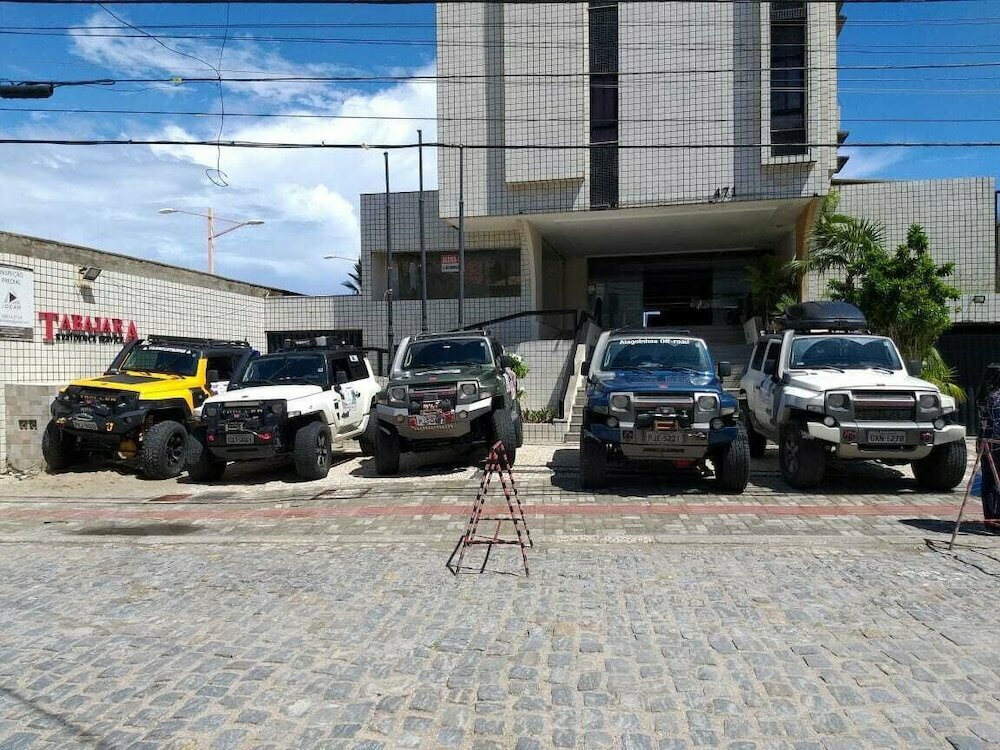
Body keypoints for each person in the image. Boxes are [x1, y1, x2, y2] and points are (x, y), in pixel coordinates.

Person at [978, 369, 1000, 531]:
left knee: (989, 483)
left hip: (987, 443)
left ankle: (992, 520)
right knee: (993, 483)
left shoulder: (984, 396)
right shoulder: (996, 397)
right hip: (996, 444)